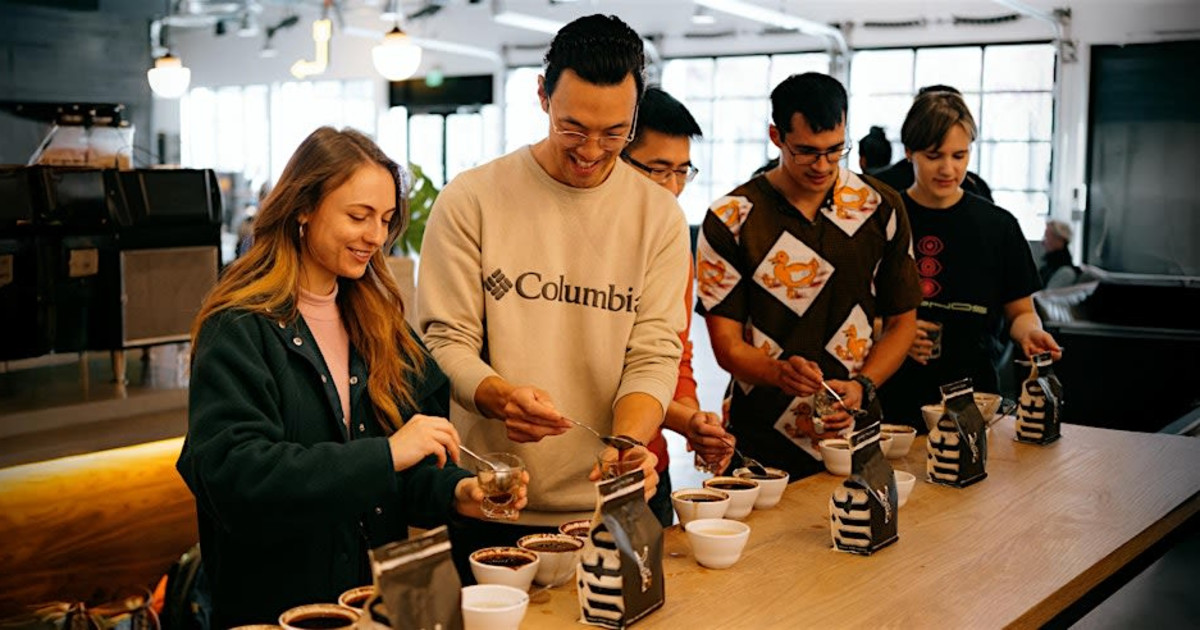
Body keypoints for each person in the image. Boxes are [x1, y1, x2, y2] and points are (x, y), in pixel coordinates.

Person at [176, 127, 524, 627]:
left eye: (384, 220)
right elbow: (235, 477)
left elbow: (401, 476)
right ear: (303, 207)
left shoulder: (380, 324)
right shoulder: (238, 327)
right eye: (358, 217)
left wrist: (456, 492)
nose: (376, 237)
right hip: (280, 610)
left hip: (373, 605)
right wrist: (387, 453)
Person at [417, 14, 689, 572]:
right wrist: (497, 395)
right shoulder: (473, 200)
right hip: (493, 506)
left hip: (613, 506)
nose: (591, 150)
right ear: (542, 96)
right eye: (573, 128)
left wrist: (628, 444)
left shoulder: (658, 215)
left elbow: (655, 351)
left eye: (615, 133)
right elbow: (445, 340)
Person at [695, 72, 921, 480]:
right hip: (759, 433)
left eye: (836, 151)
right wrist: (778, 372)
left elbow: (903, 322)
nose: (823, 166)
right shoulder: (731, 217)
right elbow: (726, 345)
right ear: (776, 136)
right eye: (806, 152)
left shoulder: (880, 207)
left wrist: (864, 385)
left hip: (853, 428)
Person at [877, 91, 1063, 430]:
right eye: (934, 156)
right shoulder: (883, 219)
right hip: (892, 397)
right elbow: (852, 312)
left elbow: (1020, 312)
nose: (948, 168)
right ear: (908, 152)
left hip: (974, 393)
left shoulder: (998, 226)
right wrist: (892, 333)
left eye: (959, 155)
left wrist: (1031, 334)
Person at [620, 85, 735, 525]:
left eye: (682, 171)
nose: (673, 187)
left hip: (650, 468)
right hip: (583, 470)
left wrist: (692, 419)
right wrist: (682, 417)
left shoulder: (673, 246)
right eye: (658, 170)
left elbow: (675, 356)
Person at [874, 85, 994, 202]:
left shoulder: (976, 187)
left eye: (958, 156)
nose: (947, 171)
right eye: (933, 156)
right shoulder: (881, 189)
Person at [1040, 218, 1081, 288]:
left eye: (1046, 237)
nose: (1042, 242)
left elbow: (1044, 298)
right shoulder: (1047, 268)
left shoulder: (1065, 273)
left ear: (1059, 240)